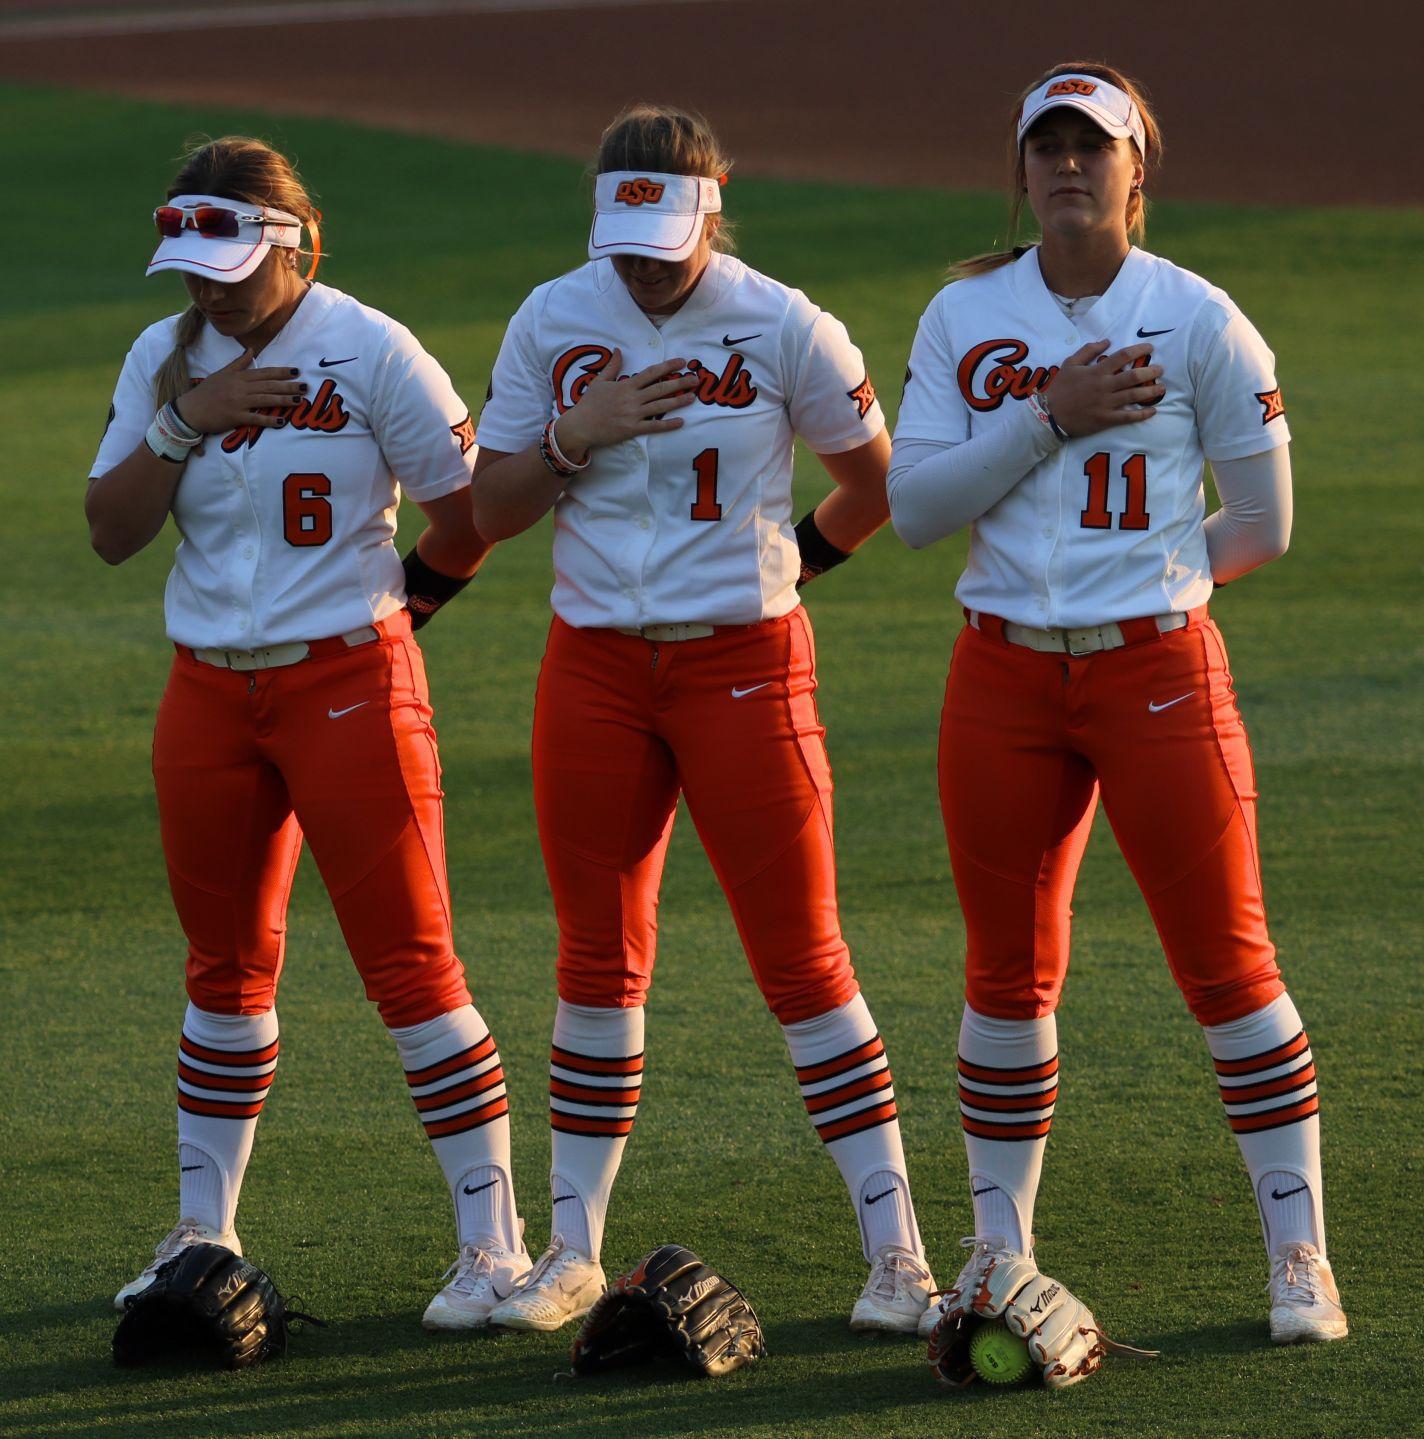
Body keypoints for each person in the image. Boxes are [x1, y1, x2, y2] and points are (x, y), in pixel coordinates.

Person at [888, 63, 1346, 1380]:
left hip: (1156, 673)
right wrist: (1049, 414)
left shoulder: (1201, 320)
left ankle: (1299, 1253)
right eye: (1049, 147)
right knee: (1004, 971)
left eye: (1095, 147)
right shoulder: (967, 312)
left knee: (1228, 962)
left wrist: (1150, 585)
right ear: (1019, 170)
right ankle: (996, 1249)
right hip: (1003, 679)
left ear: (1141, 170)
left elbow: (1265, 526)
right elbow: (917, 510)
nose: (1070, 167)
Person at [470, 104, 934, 1335]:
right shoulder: (552, 316)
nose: (643, 260)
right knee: (595, 956)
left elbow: (874, 481)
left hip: (744, 663)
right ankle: (572, 1249)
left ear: (714, 205)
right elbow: (488, 509)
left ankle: (898, 1255)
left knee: (802, 956)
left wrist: (793, 569)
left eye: (667, 235)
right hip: (597, 670)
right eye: (624, 235)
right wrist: (577, 434)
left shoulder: (785, 321)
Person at [89, 136, 530, 1331]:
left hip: (348, 685)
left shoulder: (371, 345)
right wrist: (187, 419)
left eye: (230, 258)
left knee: (412, 963)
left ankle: (493, 1244)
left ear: (297, 240)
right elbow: (111, 529)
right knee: (222, 967)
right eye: (189, 259)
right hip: (208, 694)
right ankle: (202, 1229)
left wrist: (407, 611)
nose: (207, 284)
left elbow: (474, 509)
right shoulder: (163, 356)